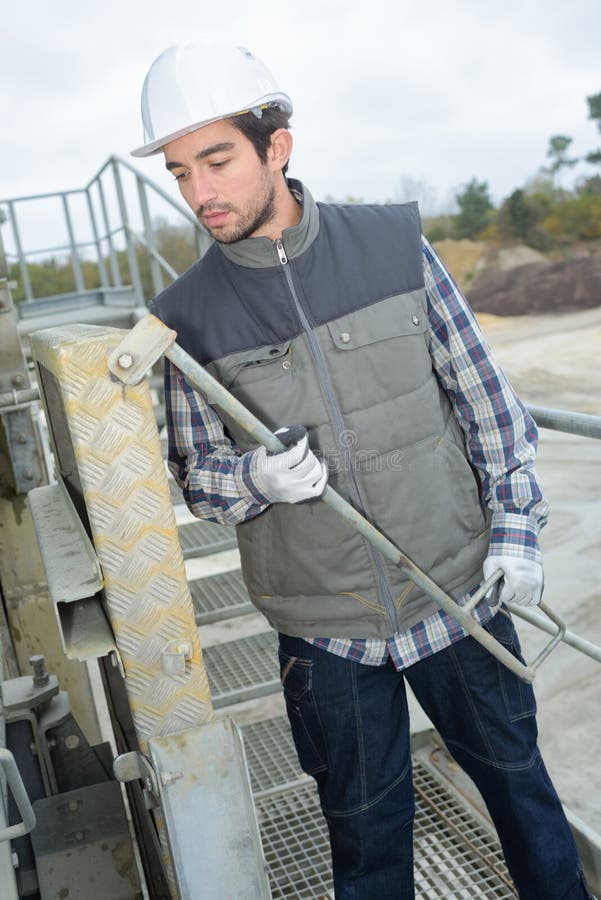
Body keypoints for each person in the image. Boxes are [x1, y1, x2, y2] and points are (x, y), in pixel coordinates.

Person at [132, 40, 592, 899]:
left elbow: (489, 406)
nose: (199, 193)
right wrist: (253, 483)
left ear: (278, 146)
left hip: (458, 594)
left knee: (524, 802)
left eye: (218, 160)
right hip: (323, 631)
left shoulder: (393, 244)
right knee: (367, 846)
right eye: (180, 170)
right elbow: (197, 477)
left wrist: (517, 534)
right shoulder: (182, 318)